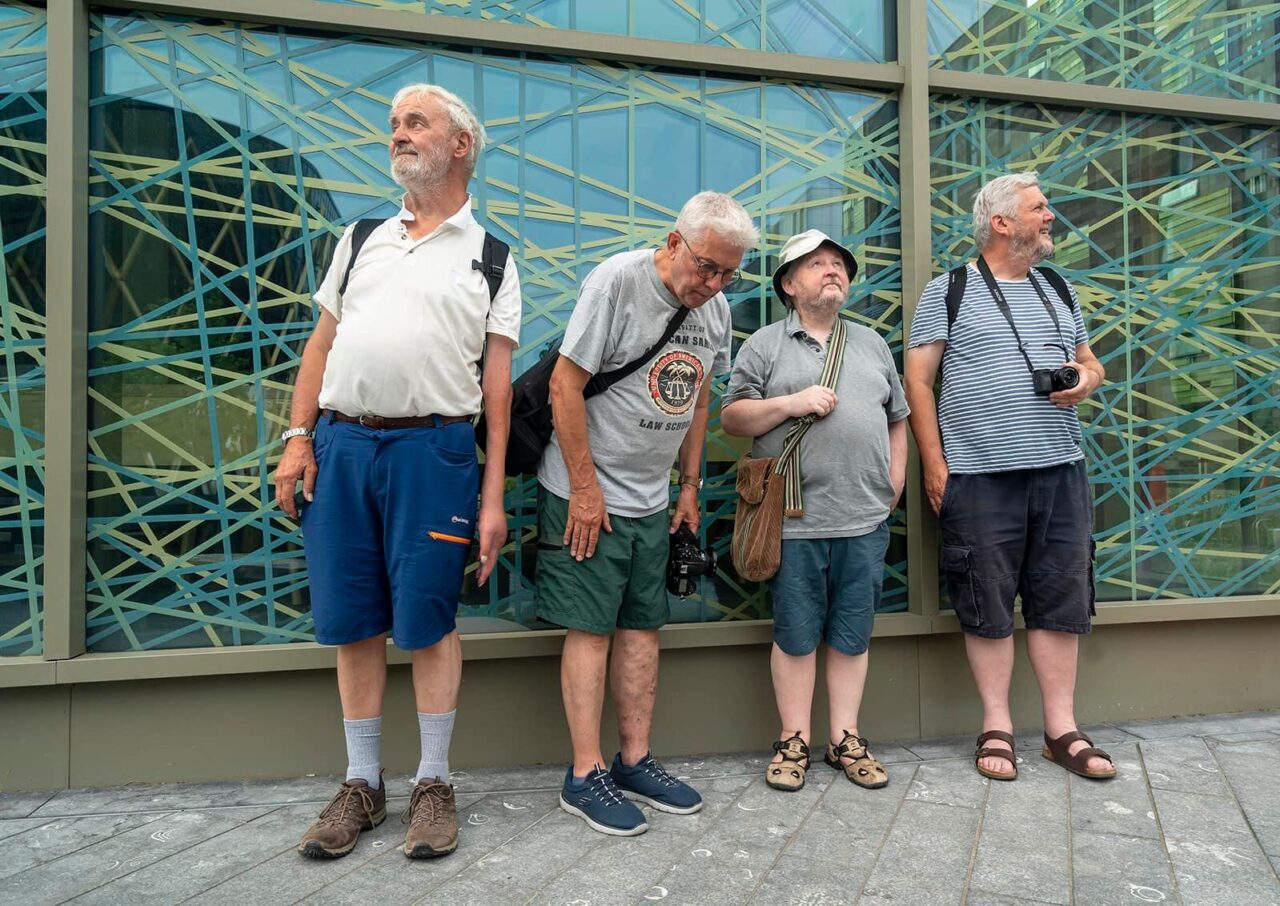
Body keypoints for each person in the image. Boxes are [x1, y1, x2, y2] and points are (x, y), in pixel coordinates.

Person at [273, 83, 522, 859]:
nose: (398, 135)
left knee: (428, 621)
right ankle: (362, 786)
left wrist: (492, 497)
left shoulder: (493, 258)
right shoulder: (361, 237)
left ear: (461, 145)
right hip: (343, 448)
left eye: (416, 123)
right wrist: (297, 437)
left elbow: (498, 391)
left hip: (435, 452)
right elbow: (321, 345)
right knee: (354, 620)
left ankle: (434, 784)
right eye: (393, 125)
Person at [538, 191, 758, 836]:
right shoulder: (616, 282)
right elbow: (564, 385)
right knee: (590, 628)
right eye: (706, 266)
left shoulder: (713, 308)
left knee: (642, 627)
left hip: (653, 497)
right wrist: (583, 488)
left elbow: (696, 402)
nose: (713, 284)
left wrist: (688, 488)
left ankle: (634, 759)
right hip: (587, 491)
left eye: (727, 274)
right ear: (673, 241)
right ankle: (584, 773)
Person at [903, 171, 1116, 782]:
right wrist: (937, 466)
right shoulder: (950, 290)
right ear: (1001, 222)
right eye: (1039, 207)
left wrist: (1087, 382)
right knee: (985, 600)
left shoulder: (1057, 287)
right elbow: (918, 380)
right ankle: (995, 725)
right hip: (979, 475)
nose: (1050, 216)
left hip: (1061, 471)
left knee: (1060, 599)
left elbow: (1090, 361)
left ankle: (1061, 731)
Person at [721, 230, 909, 792]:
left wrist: (894, 480)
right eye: (818, 264)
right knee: (796, 635)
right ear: (788, 284)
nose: (833, 272)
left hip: (864, 517)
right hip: (793, 521)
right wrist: (791, 403)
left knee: (853, 634)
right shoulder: (764, 346)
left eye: (839, 265)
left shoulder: (873, 344)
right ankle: (793, 739)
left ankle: (845, 738)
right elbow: (733, 419)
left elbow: (898, 417)